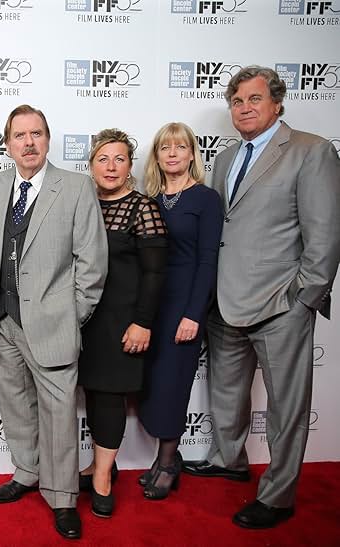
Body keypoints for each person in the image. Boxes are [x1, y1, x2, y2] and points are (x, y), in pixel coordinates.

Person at [182, 66, 340, 529]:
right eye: (237, 101)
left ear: (277, 103)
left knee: (286, 404)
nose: (244, 108)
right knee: (227, 390)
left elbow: (325, 234)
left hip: (280, 303)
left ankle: (278, 495)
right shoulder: (228, 157)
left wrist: (305, 297)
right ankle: (228, 459)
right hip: (225, 300)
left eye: (254, 99)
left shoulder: (311, 150)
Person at [0, 105, 107, 540]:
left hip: (53, 323)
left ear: (48, 139)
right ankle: (27, 471)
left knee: (58, 415)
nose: (28, 142)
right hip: (2, 321)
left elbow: (91, 263)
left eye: (36, 133)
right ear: (7, 143)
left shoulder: (74, 187)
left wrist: (72, 316)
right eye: (20, 135)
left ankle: (62, 497)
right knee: (16, 405)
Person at [77, 129, 167, 517]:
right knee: (93, 396)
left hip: (122, 322)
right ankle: (100, 463)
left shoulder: (142, 208)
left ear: (131, 165)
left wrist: (142, 323)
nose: (111, 167)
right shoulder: (82, 204)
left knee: (111, 397)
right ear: (91, 164)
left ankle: (102, 479)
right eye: (103, 159)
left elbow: (155, 273)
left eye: (119, 159)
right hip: (84, 319)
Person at [137, 122, 223, 500]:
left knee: (173, 385)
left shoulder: (206, 199)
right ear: (157, 156)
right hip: (151, 305)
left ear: (192, 153)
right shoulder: (150, 200)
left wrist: (194, 314)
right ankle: (161, 458)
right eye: (164, 147)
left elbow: (208, 261)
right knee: (153, 384)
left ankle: (170, 462)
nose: (172, 153)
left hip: (184, 307)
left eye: (180, 147)